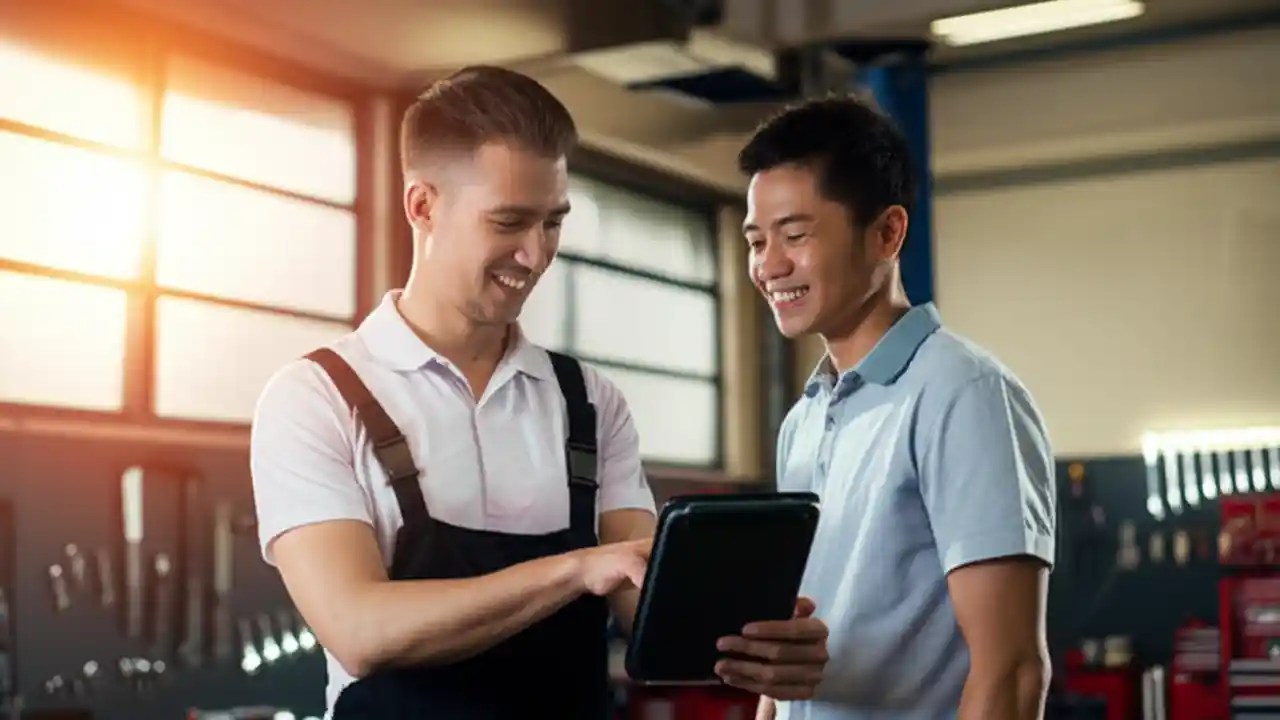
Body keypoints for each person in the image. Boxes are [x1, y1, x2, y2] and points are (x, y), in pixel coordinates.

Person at [249, 65, 830, 719]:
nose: (535, 254)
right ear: (422, 206)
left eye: (553, 222)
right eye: (509, 222)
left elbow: (654, 613)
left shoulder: (589, 403)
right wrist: (577, 569)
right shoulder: (315, 399)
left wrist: (763, 646)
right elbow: (360, 632)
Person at [737, 94, 1056, 720]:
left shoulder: (964, 394)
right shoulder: (803, 420)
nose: (770, 265)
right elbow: (789, 645)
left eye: (796, 235)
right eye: (756, 240)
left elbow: (1011, 672)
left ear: (887, 233)